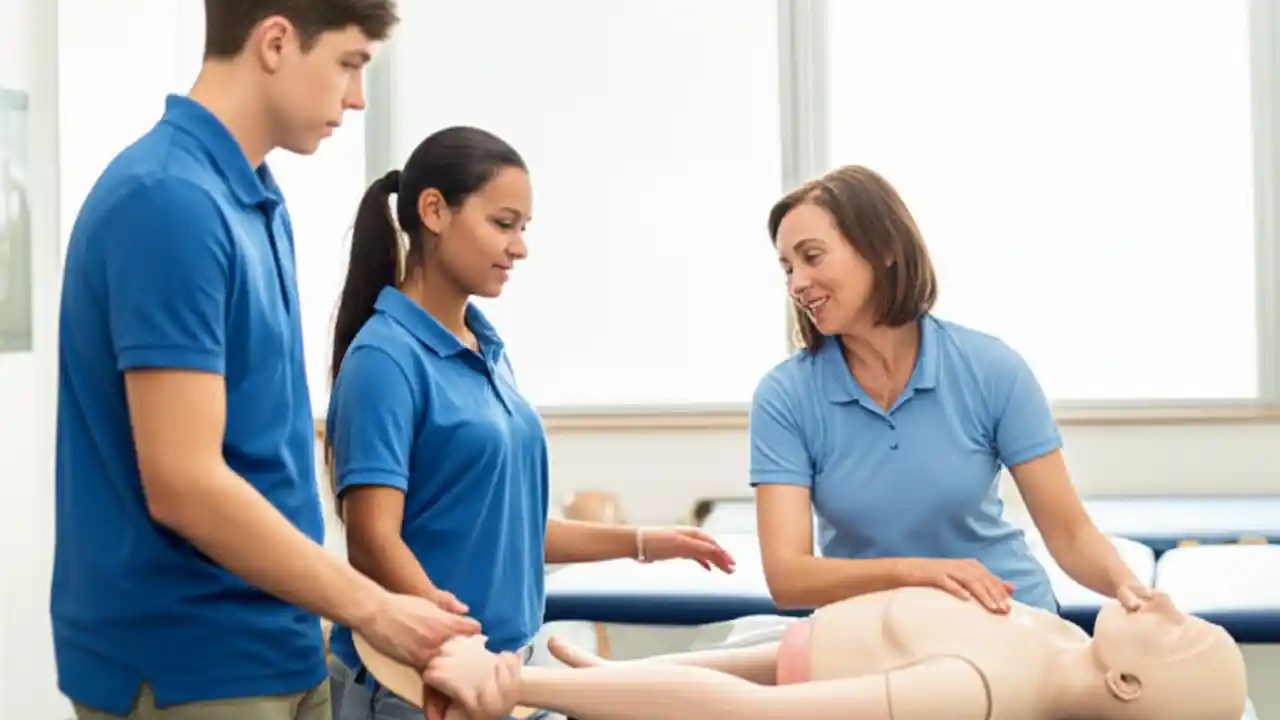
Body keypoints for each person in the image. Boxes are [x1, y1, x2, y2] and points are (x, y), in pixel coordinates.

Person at [52, 3, 480, 719]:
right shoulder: (169, 202)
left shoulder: (251, 196)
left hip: (274, 642)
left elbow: (254, 452)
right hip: (192, 662)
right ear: (276, 42)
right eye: (349, 64)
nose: (357, 97)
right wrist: (375, 609)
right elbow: (185, 483)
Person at [323, 125, 738, 720]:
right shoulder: (385, 359)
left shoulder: (485, 349)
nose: (519, 247)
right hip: (418, 686)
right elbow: (371, 539)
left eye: (524, 229)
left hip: (497, 673)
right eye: (503, 223)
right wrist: (453, 638)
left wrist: (645, 542)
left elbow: (513, 529)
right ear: (434, 211)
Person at [746, 165, 1150, 617]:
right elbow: (788, 577)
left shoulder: (991, 369)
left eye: (812, 257)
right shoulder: (785, 396)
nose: (797, 283)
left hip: (1002, 617)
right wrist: (916, 573)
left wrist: (1131, 590)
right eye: (787, 268)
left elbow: (1071, 534)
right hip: (871, 632)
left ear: (881, 248)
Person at [354, 587, 1249, 720]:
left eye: (1178, 627)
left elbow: (756, 714)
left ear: (1128, 683)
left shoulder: (977, 689)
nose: (1161, 599)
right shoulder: (1051, 635)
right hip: (784, 647)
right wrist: (614, 673)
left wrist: (522, 686)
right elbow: (782, 663)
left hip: (775, 682)